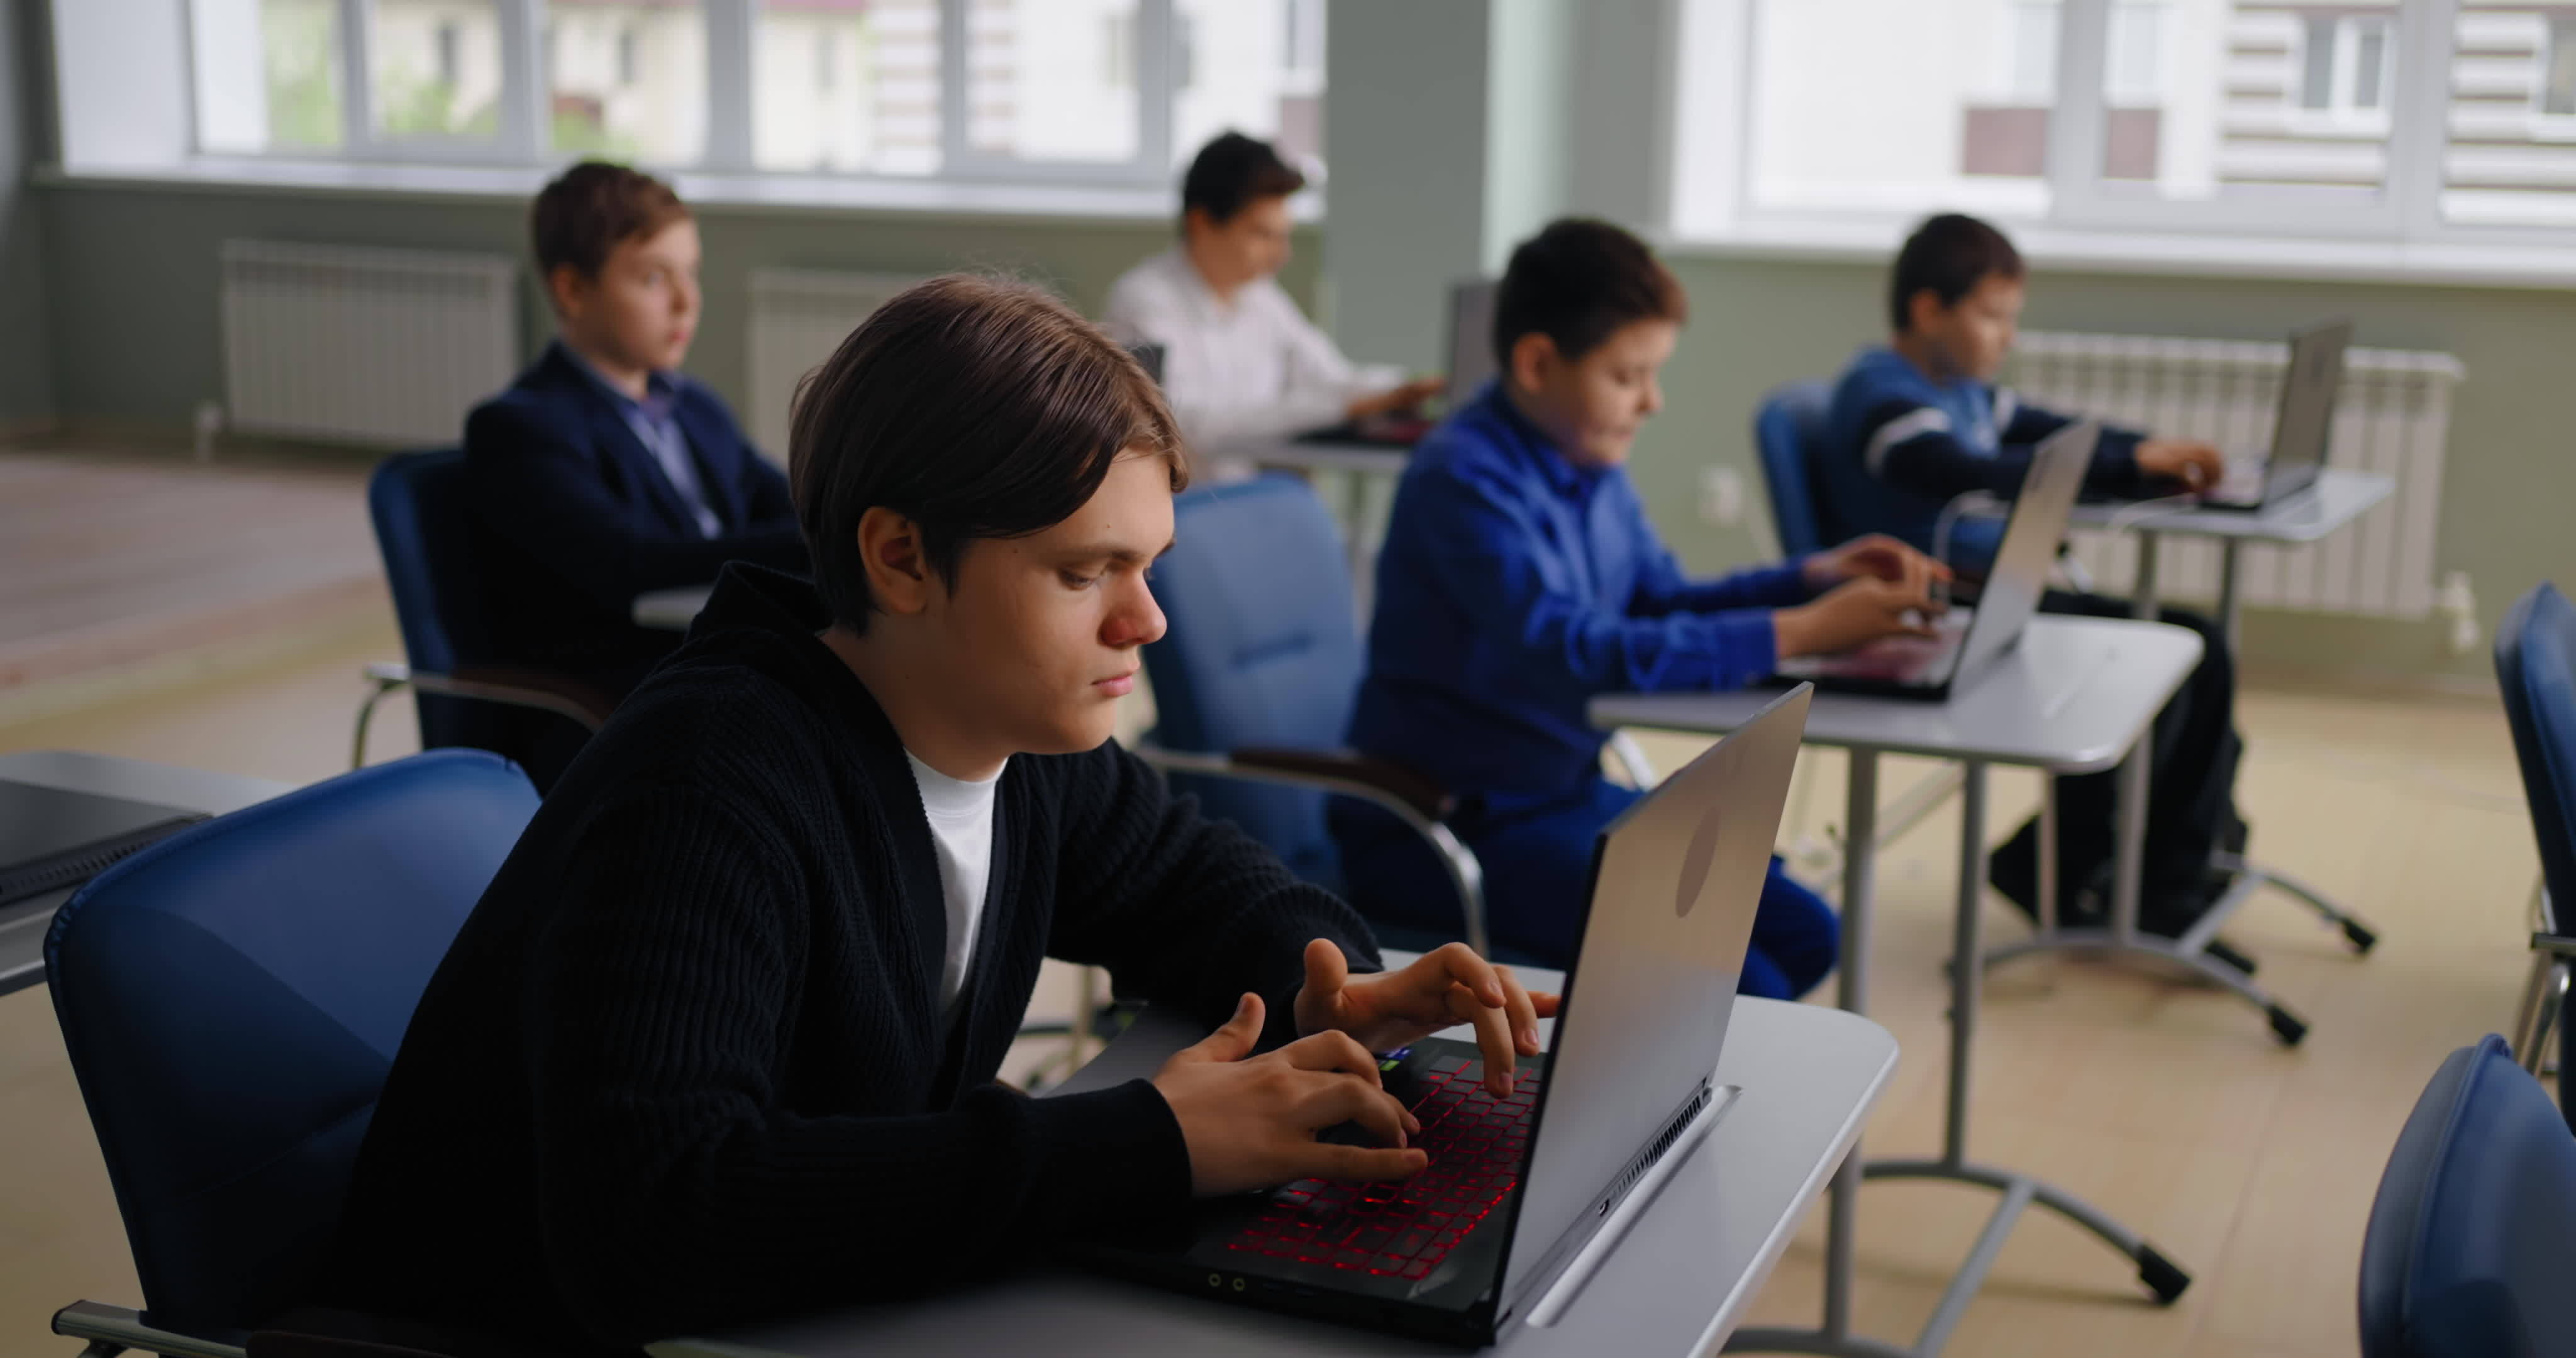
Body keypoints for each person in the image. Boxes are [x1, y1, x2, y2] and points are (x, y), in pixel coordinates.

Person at [325, 276, 1552, 1355]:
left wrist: (1323, 981)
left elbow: (1186, 880)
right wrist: (1144, 1145)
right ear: (901, 559)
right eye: (1084, 573)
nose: (1146, 621)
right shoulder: (705, 786)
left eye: (1147, 565)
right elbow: (654, 1223)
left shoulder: (1010, 729)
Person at [1331, 218, 1949, 999]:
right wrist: (1804, 632)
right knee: (1750, 982)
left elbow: (1662, 600)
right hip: (1457, 824)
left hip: (1564, 791)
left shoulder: (1587, 461)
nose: (1652, 402)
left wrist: (1811, 579)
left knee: (1807, 932)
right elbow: (1579, 654)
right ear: (1536, 363)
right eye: (1629, 376)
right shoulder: (1460, 480)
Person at [1816, 212, 2248, 936]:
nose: (2007, 337)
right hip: (1944, 604)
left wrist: (2149, 449)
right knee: (2174, 652)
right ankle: (2119, 876)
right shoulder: (1881, 395)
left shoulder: (1962, 389)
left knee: (2188, 650)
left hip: (1997, 591)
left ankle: (2153, 872)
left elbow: (2056, 433)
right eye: (1992, 317)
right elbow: (1961, 470)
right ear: (1928, 311)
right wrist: (2126, 465)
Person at [463, 161, 806, 790]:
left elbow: (788, 503)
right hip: (625, 705)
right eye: (654, 278)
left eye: (691, 273)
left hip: (721, 661)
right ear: (572, 290)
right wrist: (810, 542)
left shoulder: (696, 407)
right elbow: (630, 563)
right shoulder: (521, 428)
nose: (687, 301)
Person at [1105, 131, 1441, 473]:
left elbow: (1330, 377)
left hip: (1246, 490)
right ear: (1201, 223)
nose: (1281, 255)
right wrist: (1341, 406)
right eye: (1262, 235)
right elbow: (1189, 425)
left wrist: (1407, 389)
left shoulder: (1261, 297)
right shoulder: (1143, 301)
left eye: (1283, 236)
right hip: (1183, 498)